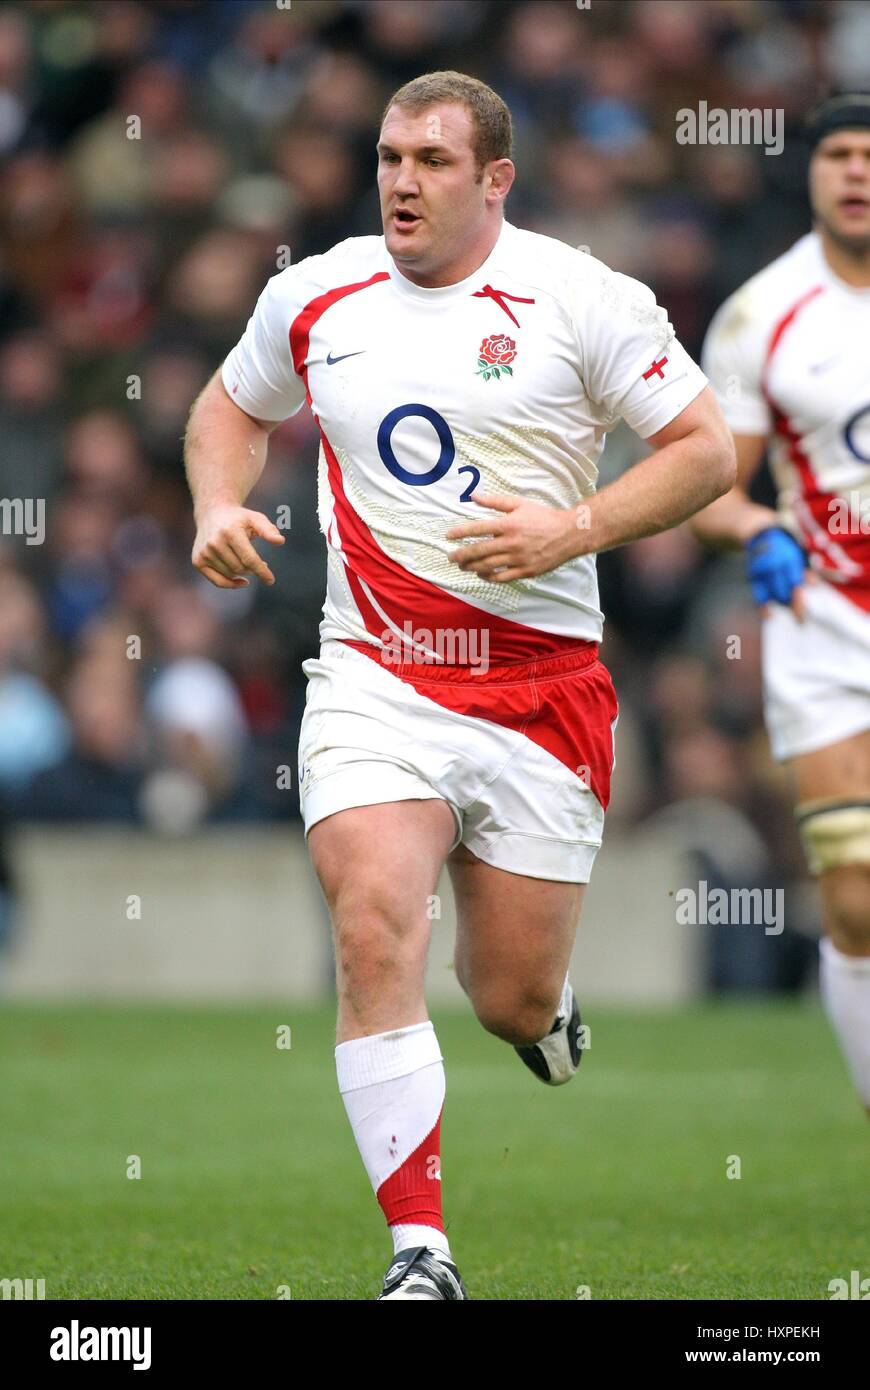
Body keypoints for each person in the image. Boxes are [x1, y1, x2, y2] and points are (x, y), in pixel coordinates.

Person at [185, 70, 734, 1300]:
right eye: (389, 158)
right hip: (378, 675)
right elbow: (229, 405)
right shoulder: (316, 292)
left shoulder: (582, 298)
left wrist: (570, 528)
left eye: (432, 162)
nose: (401, 183)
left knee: (507, 994)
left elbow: (709, 451)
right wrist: (218, 499)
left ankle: (545, 1018)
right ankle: (420, 1252)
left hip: (542, 692)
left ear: (495, 180)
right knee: (375, 917)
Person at [693, 92, 870, 1119]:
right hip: (826, 623)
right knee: (853, 892)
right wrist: (758, 530)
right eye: (839, 154)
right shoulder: (762, 312)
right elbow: (713, 481)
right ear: (810, 173)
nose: (856, 171)